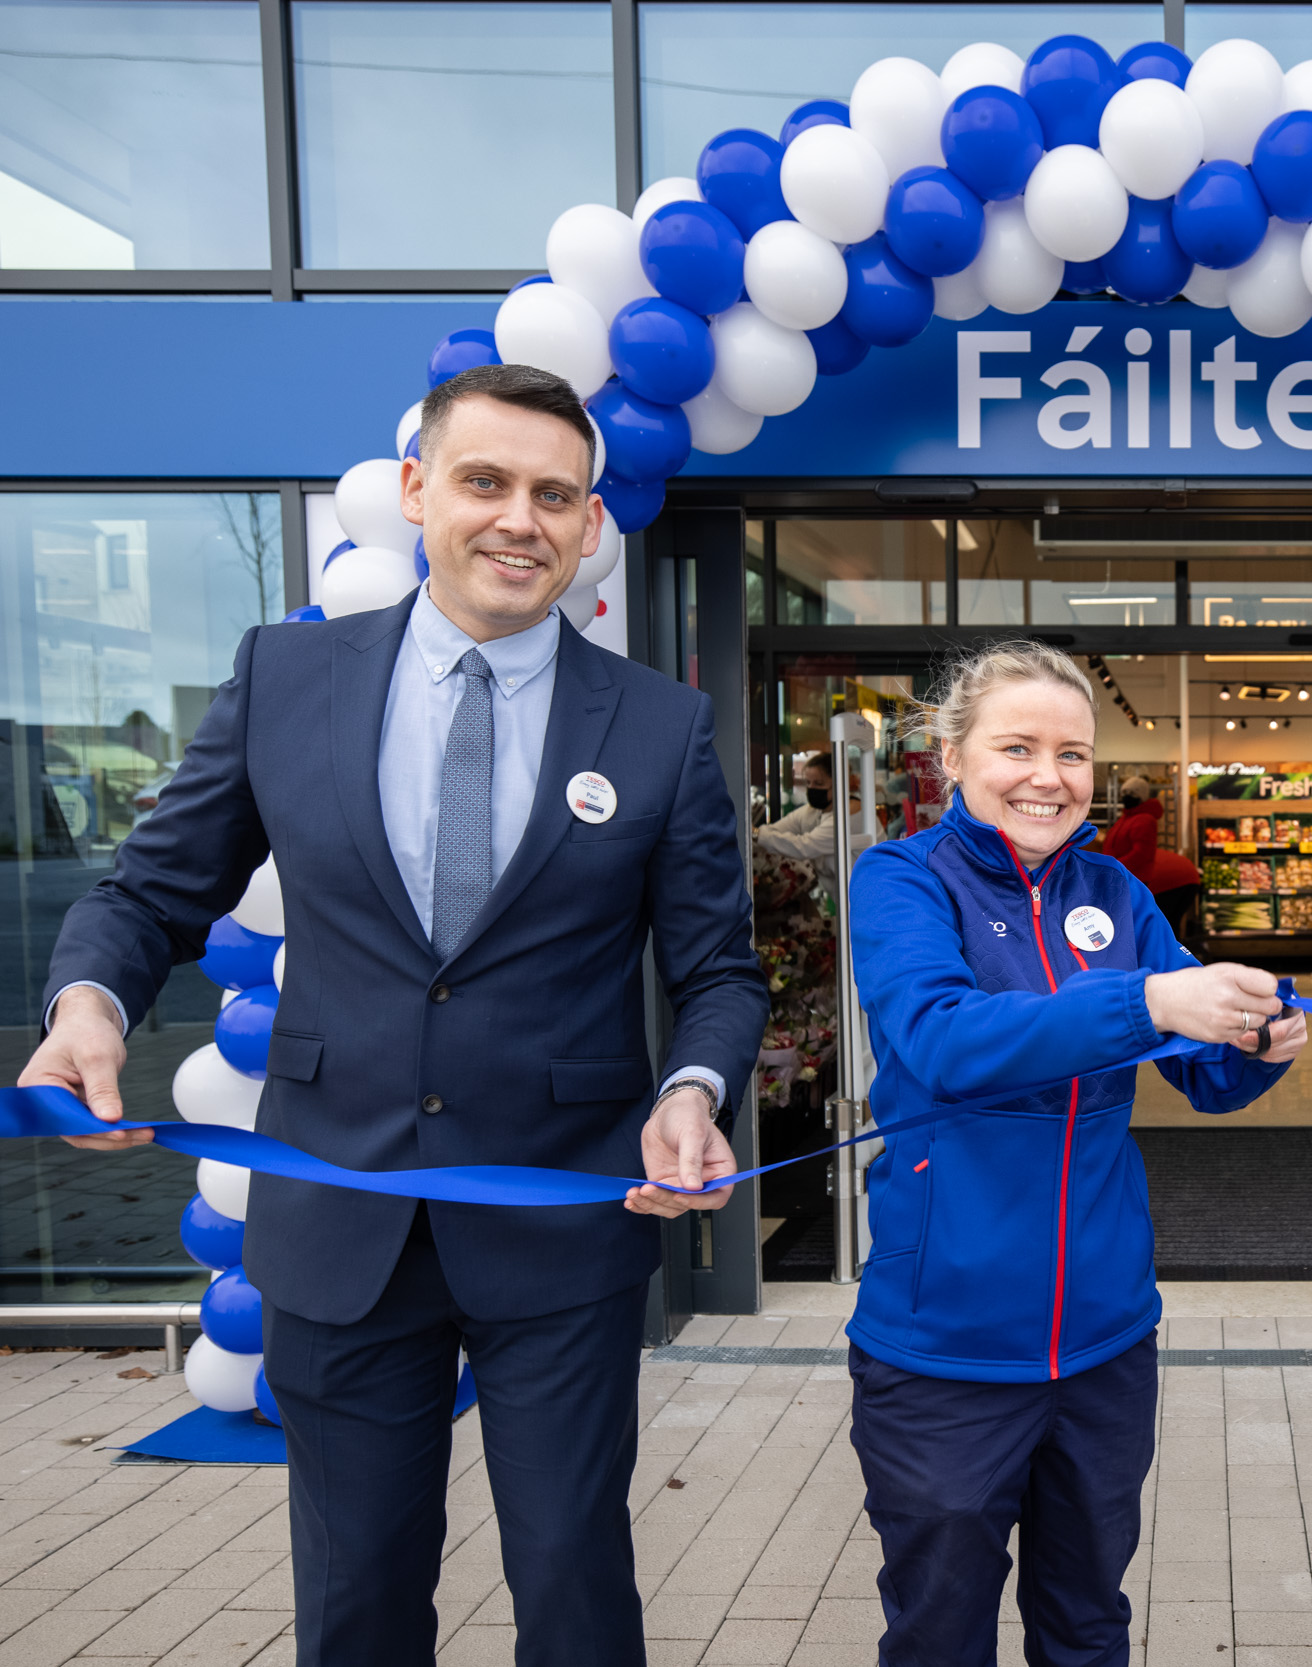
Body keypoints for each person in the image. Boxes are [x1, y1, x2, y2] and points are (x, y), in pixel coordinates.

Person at [18, 363, 768, 1665]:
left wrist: (690, 1090)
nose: (518, 518)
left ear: (593, 524)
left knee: (575, 1586)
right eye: (485, 481)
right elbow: (152, 887)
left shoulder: (660, 724)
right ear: (420, 489)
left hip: (562, 1225)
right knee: (357, 1601)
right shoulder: (287, 677)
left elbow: (719, 970)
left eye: (554, 493)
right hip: (336, 1214)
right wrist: (90, 1001)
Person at [843, 641, 1310, 1666]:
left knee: (1089, 1620)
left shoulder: (1116, 892)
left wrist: (1258, 1042)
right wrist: (1147, 999)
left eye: (1073, 753)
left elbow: (1205, 1075)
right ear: (953, 753)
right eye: (1017, 747)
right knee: (938, 1629)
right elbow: (943, 1037)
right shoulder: (900, 878)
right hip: (944, 1348)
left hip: (1102, 1339)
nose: (1048, 777)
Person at [753, 749, 842, 890]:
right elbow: (776, 830)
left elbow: (804, 846)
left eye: (819, 783)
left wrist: (757, 834)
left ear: (838, 783)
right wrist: (755, 836)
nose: (812, 789)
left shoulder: (843, 819)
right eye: (808, 783)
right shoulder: (810, 811)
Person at [1099, 772, 1163, 880]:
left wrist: (1114, 866)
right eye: (1124, 792)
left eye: (1132, 793)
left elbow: (1141, 854)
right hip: (1119, 876)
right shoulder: (1126, 817)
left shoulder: (1145, 820)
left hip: (1133, 879)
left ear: (1141, 797)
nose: (1126, 796)